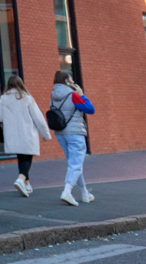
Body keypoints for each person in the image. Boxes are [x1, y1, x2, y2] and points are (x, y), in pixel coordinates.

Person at [0, 75, 51, 197]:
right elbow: (38, 118)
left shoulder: (3, 98)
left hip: (12, 134)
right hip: (27, 132)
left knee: (21, 157)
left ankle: (27, 184)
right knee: (27, 157)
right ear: (21, 84)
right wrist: (45, 134)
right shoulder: (27, 98)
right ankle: (20, 179)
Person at [51, 70, 94, 206]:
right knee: (75, 164)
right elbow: (90, 109)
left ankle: (84, 193)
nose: (74, 82)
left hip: (61, 133)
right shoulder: (73, 95)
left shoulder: (53, 96)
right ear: (66, 81)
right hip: (75, 133)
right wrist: (82, 95)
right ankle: (67, 192)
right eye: (71, 80)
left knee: (74, 163)